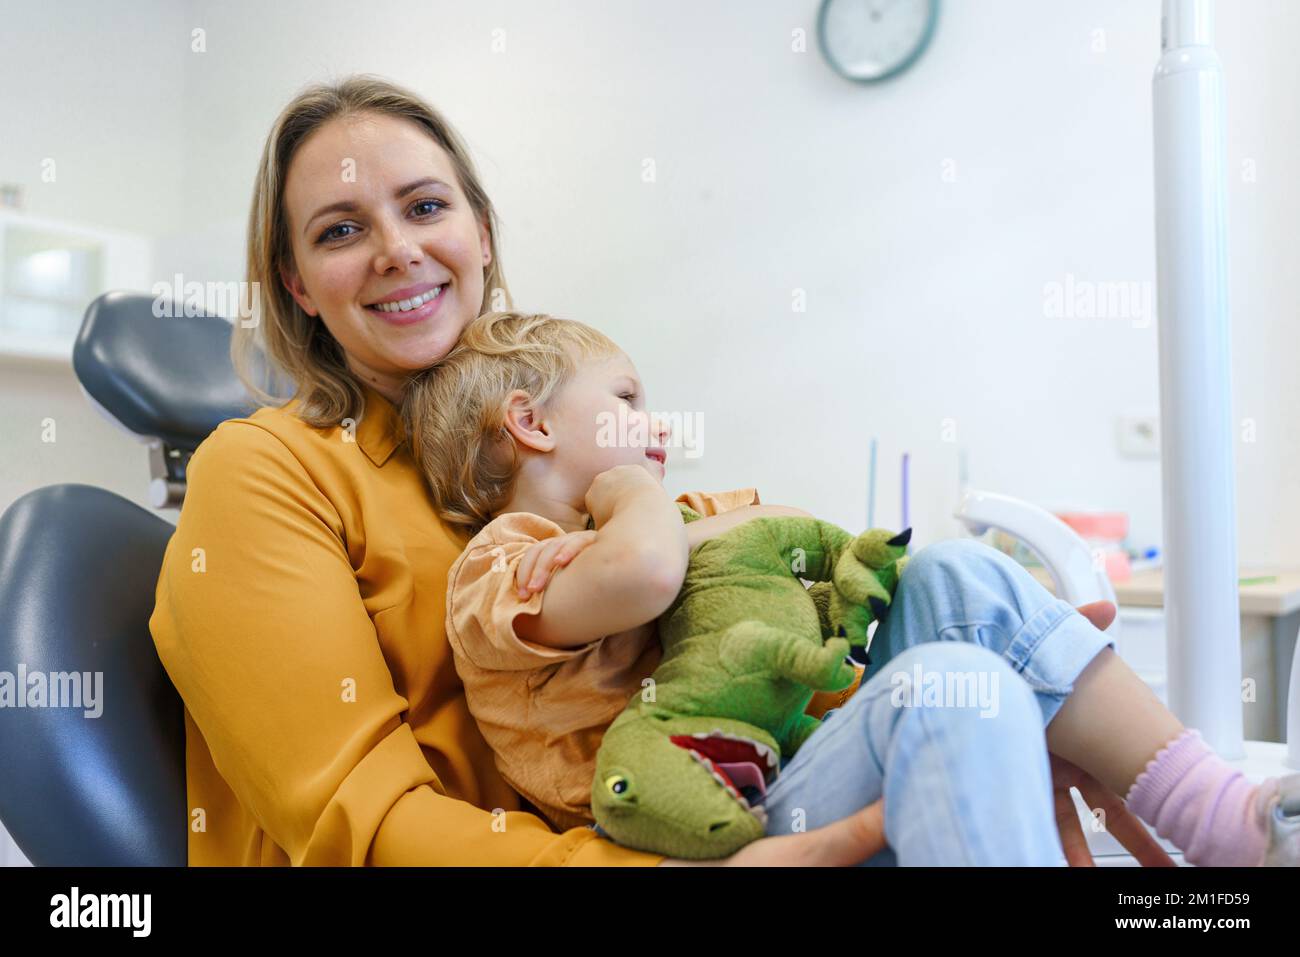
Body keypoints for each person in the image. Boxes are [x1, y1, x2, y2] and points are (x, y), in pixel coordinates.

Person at [149, 74, 1297, 866]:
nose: (397, 247)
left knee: (961, 617)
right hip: (633, 837)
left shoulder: (537, 444)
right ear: (296, 283)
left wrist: (1064, 712)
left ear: (481, 234)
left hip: (722, 773)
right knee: (963, 693)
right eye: (340, 230)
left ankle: (1209, 813)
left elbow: (750, 592)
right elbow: (365, 823)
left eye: (425, 205)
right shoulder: (266, 473)